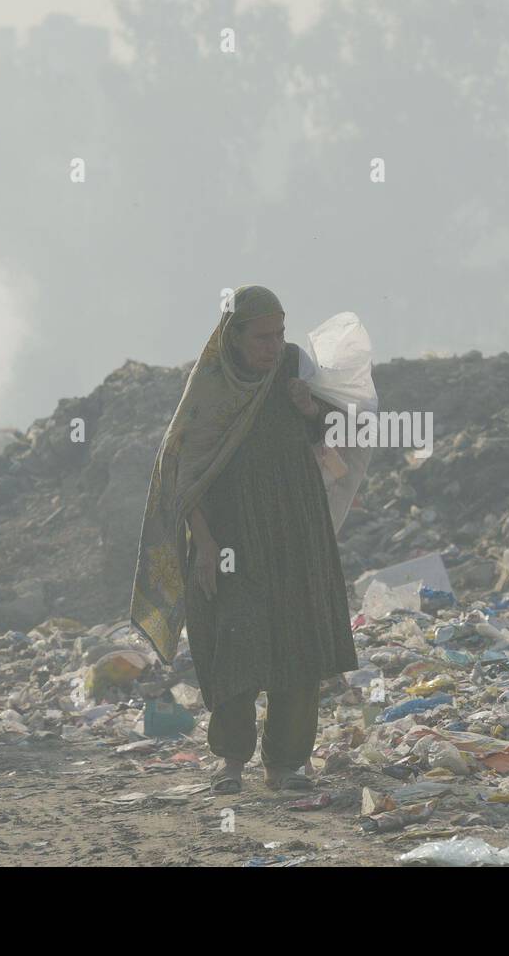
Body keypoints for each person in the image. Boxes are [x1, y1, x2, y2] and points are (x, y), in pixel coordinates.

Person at [130, 285, 358, 794]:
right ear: (232, 337)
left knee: (299, 642)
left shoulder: (293, 367)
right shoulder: (212, 386)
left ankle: (286, 765)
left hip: (297, 528)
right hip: (232, 537)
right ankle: (231, 761)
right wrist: (205, 544)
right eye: (261, 336)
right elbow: (188, 473)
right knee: (237, 641)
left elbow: (334, 432)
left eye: (280, 333)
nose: (273, 346)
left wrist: (309, 411)